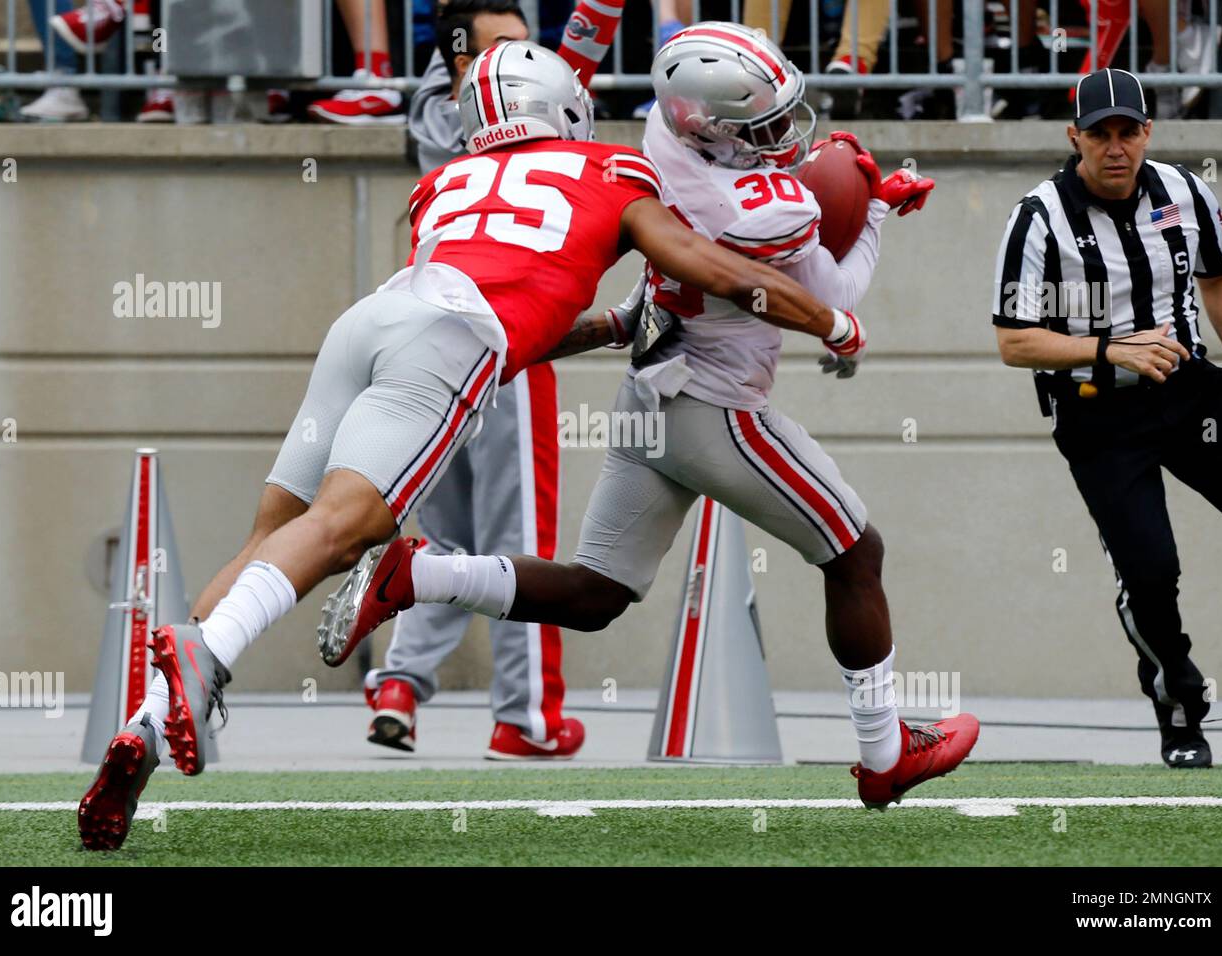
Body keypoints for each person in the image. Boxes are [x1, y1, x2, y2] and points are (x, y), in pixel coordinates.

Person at [78, 38, 858, 850]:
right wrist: (832, 320)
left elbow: (528, 295)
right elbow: (713, 267)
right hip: (449, 336)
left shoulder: (441, 183)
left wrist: (609, 327)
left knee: (270, 539)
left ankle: (141, 728)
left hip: (369, 321)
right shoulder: (612, 170)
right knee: (348, 529)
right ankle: (205, 659)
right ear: (562, 107)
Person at [326, 23, 980, 811]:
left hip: (648, 396)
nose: (781, 139)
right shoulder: (758, 207)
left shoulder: (657, 148)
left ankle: (418, 573)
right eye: (761, 126)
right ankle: (884, 753)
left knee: (596, 593)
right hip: (715, 410)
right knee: (855, 552)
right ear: (706, 124)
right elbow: (832, 295)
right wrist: (869, 213)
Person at [366, 0, 623, 761]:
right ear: (458, 56)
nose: (522, 56)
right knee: (523, 539)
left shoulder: (442, 106)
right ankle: (527, 718)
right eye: (505, 45)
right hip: (504, 336)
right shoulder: (477, 110)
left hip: (419, 341)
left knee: (452, 541)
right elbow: (575, 60)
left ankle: (400, 686)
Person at [991, 68, 1222, 767]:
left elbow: (1220, 272)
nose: (1116, 148)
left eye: (1129, 131)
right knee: (1150, 571)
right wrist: (1113, 348)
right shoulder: (1039, 216)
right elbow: (1015, 341)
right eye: (1101, 133)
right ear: (1073, 135)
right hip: (1097, 410)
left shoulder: (1183, 190)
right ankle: (1180, 710)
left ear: (1149, 132)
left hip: (1189, 390)